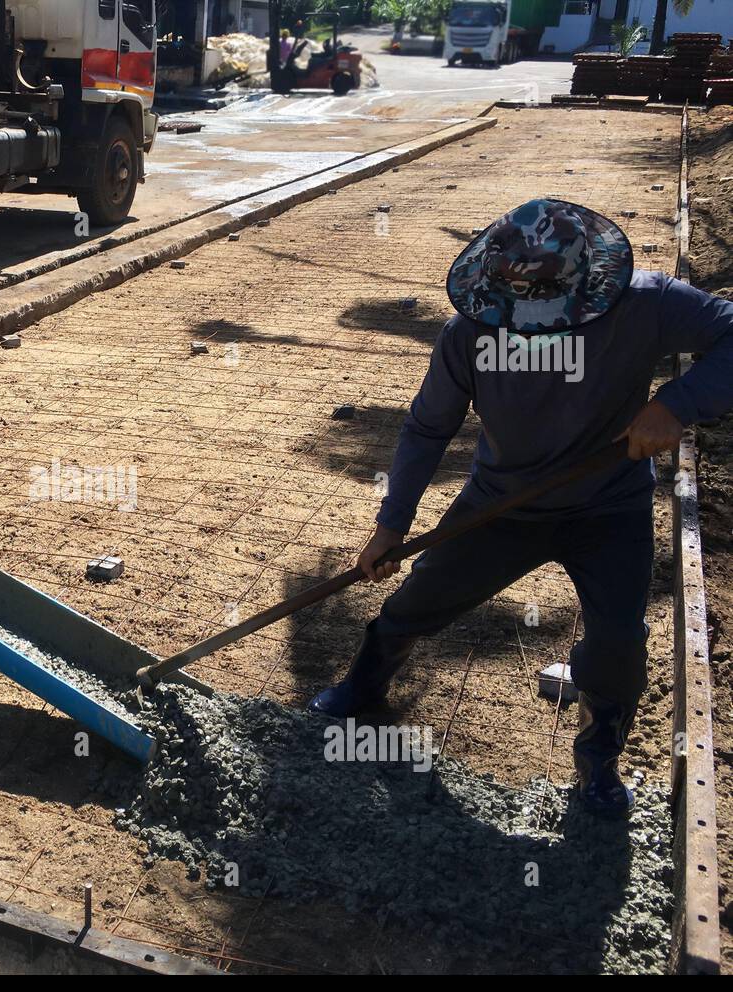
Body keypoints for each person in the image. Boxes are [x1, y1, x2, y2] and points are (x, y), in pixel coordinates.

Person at [306, 198, 733, 819]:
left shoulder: (645, 306)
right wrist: (390, 524)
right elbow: (427, 431)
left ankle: (598, 761)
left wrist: (677, 403)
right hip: (501, 505)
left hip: (608, 508)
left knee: (617, 641)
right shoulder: (470, 334)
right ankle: (364, 685)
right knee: (417, 603)